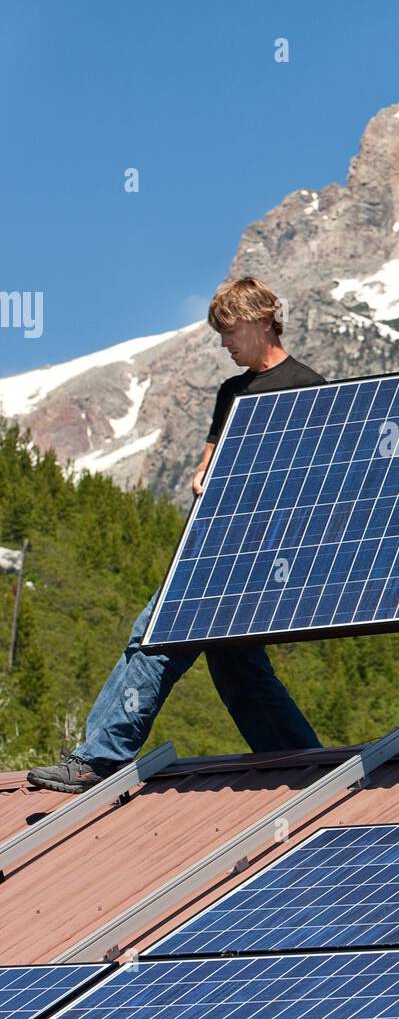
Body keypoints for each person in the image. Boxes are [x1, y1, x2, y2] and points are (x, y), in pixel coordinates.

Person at [29, 277, 324, 794]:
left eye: (230, 331)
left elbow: (317, 480)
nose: (224, 343)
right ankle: (302, 762)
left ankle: (99, 758)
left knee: (154, 636)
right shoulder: (232, 392)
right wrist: (203, 470)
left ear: (261, 322)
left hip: (261, 551)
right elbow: (209, 459)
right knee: (240, 672)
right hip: (214, 542)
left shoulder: (306, 387)